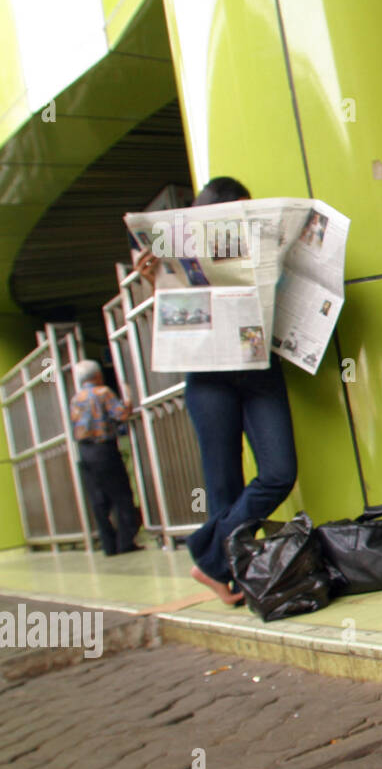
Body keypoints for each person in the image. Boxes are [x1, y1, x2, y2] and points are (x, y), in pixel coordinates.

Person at [134, 176, 298, 605]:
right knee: (222, 483)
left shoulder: (262, 245)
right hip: (207, 373)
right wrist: (156, 280)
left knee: (279, 472)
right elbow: (176, 318)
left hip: (259, 367)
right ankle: (234, 572)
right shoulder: (185, 250)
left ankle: (207, 561)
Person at [69, 360, 141, 556]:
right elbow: (121, 414)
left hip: (84, 452)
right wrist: (128, 399)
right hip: (104, 449)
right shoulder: (103, 392)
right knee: (121, 495)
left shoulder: (76, 398)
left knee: (98, 500)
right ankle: (125, 542)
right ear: (98, 375)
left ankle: (108, 545)